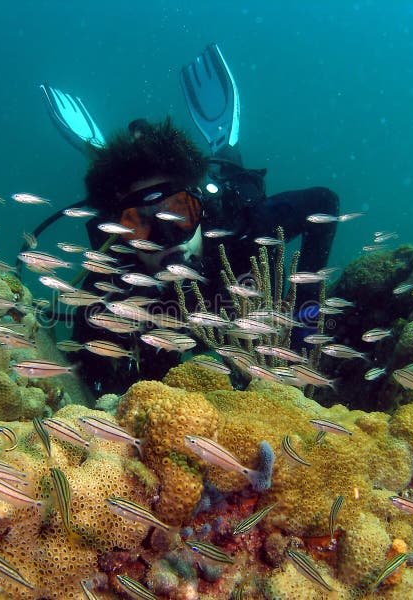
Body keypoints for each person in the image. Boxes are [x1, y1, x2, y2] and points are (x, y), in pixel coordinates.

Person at [37, 45, 339, 395]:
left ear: (198, 206)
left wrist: (304, 317)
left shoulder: (243, 230)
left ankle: (223, 146)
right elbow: (89, 373)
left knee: (237, 182)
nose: (165, 237)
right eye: (139, 224)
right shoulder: (111, 288)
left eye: (178, 212)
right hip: (162, 329)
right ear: (120, 235)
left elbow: (324, 202)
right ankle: (107, 158)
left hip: (232, 236)